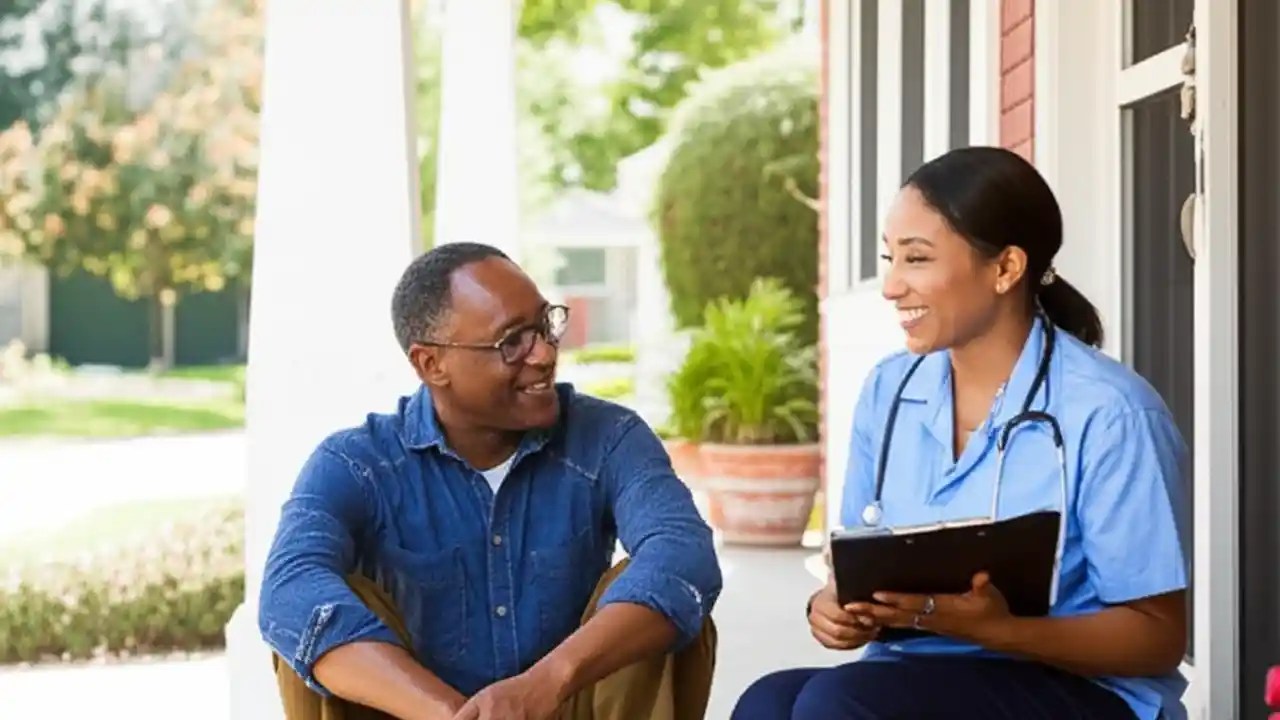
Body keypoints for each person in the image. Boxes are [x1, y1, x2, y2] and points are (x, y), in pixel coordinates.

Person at [732, 146, 1190, 720]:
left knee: (835, 704)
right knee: (769, 703)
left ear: (1005, 269)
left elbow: (1156, 637)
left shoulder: (1110, 412)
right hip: (920, 675)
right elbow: (853, 568)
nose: (891, 286)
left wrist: (1003, 630)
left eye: (916, 259)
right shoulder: (890, 391)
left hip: (1080, 690)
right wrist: (832, 608)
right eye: (889, 258)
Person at [259, 242, 722, 720]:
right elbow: (288, 590)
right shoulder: (356, 463)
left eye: (545, 325)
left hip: (562, 706)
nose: (544, 354)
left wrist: (545, 683)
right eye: (512, 341)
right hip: (424, 714)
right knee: (314, 621)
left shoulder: (609, 439)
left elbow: (683, 554)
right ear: (431, 364)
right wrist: (453, 715)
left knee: (662, 600)